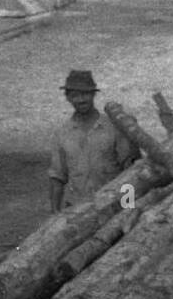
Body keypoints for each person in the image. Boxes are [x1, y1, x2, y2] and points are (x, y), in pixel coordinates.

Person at [48, 70, 138, 211]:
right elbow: (57, 177)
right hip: (76, 210)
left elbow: (130, 171)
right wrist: (54, 215)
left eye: (85, 94)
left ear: (93, 94)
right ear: (67, 98)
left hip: (112, 207)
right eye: (75, 95)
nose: (81, 99)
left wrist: (128, 209)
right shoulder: (62, 134)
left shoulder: (113, 128)